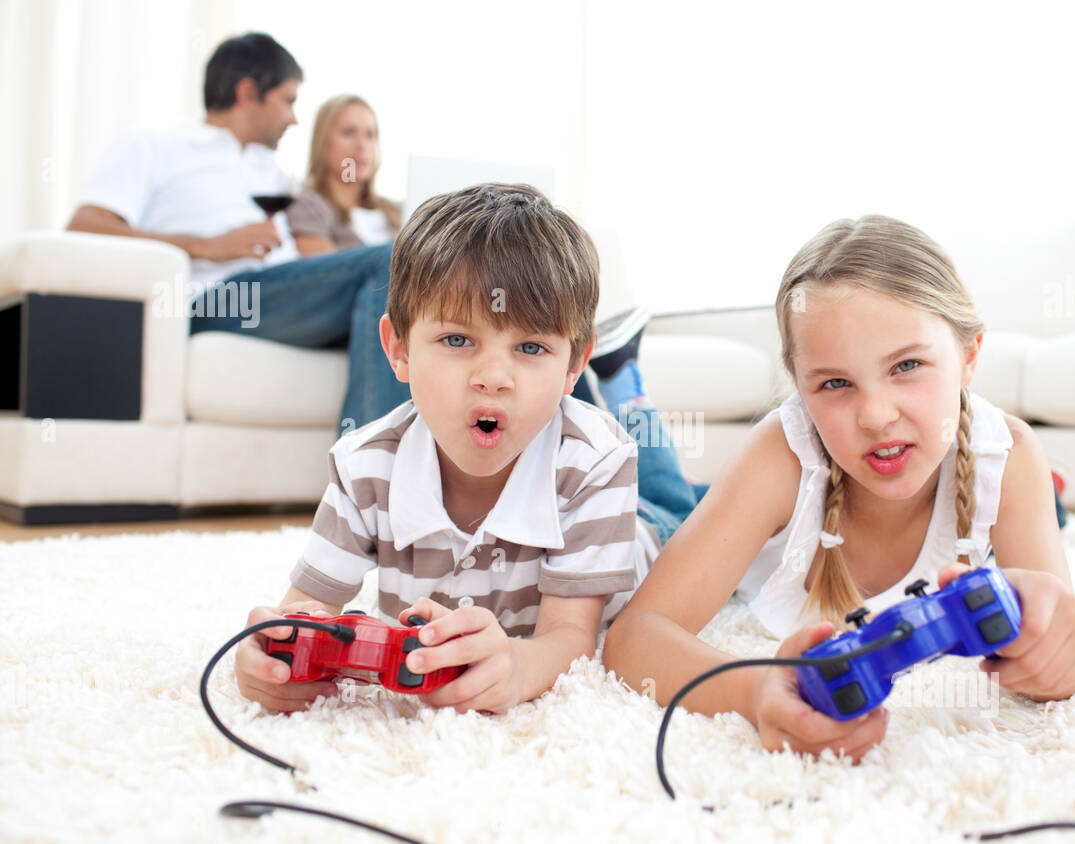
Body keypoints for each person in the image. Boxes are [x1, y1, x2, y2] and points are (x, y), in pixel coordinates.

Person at [603, 214, 1075, 761]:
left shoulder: (1006, 454)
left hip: (943, 469)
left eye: (907, 365)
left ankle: (1052, 493)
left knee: (1044, 504)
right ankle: (620, 377)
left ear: (969, 357)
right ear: (799, 386)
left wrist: (1064, 657)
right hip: (733, 511)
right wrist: (752, 689)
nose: (875, 416)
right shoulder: (780, 454)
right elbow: (633, 639)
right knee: (662, 499)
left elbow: (1059, 658)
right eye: (836, 383)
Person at [233, 183, 698, 715]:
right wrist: (271, 652)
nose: (493, 378)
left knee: (682, 510)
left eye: (530, 347)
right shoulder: (364, 466)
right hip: (573, 474)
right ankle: (607, 375)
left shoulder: (599, 461)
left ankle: (621, 378)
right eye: (457, 340)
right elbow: (301, 615)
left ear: (573, 366)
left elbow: (570, 638)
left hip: (636, 524)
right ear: (398, 350)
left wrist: (520, 667)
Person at [67, 33, 408, 434]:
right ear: (248, 92)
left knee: (410, 297)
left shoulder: (274, 174)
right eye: (288, 100)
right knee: (394, 261)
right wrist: (208, 246)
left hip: (276, 298)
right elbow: (84, 227)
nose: (294, 118)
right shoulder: (156, 146)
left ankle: (421, 476)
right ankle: (365, 480)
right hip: (217, 300)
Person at [286, 94, 402, 256]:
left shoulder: (398, 211)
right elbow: (327, 274)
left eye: (370, 135)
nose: (362, 145)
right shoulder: (307, 205)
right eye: (348, 133)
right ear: (322, 141)